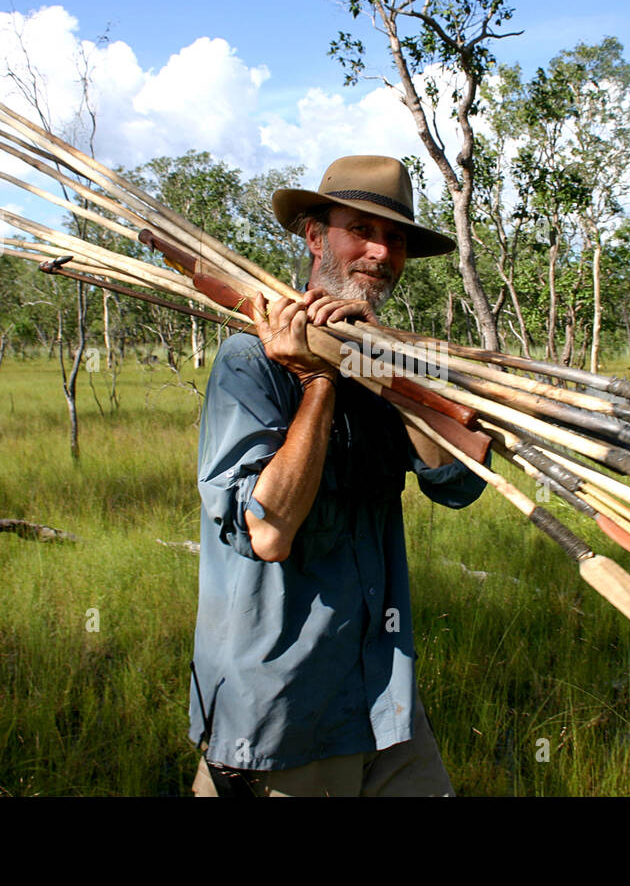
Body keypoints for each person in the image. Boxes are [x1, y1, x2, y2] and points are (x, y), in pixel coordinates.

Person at [189, 155, 487, 797]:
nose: (382, 252)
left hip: (386, 700)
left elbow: (457, 484)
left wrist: (391, 374)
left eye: (398, 239)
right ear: (315, 236)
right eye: (362, 230)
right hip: (286, 712)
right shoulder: (254, 359)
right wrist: (320, 382)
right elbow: (266, 531)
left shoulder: (393, 358)